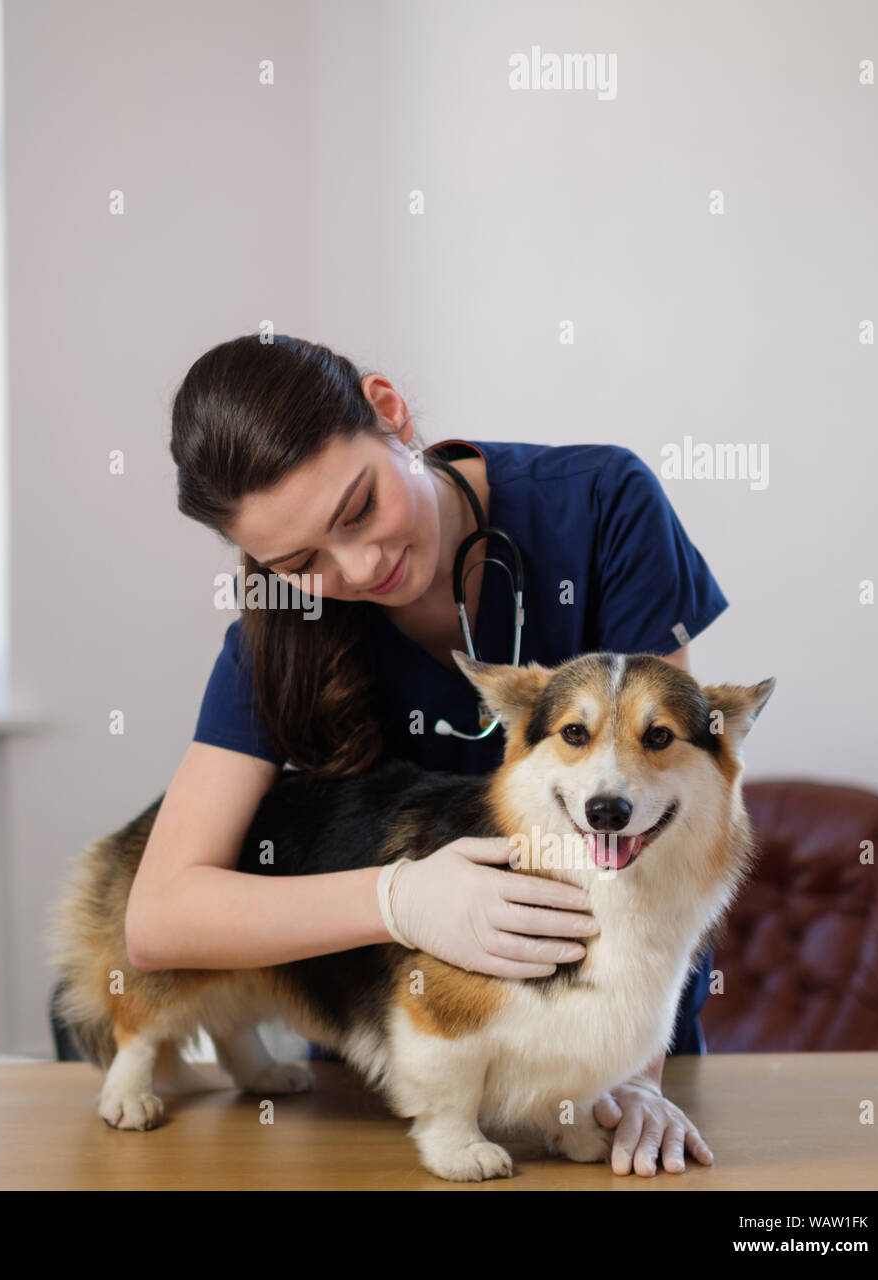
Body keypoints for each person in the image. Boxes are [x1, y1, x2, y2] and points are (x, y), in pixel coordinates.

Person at [126, 333, 727, 1177]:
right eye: (300, 563)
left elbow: (676, 804)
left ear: (389, 411)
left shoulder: (600, 505)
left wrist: (630, 1080)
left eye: (359, 509)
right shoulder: (276, 639)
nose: (359, 567)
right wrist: (396, 899)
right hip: (398, 1082)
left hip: (618, 1060)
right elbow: (158, 920)